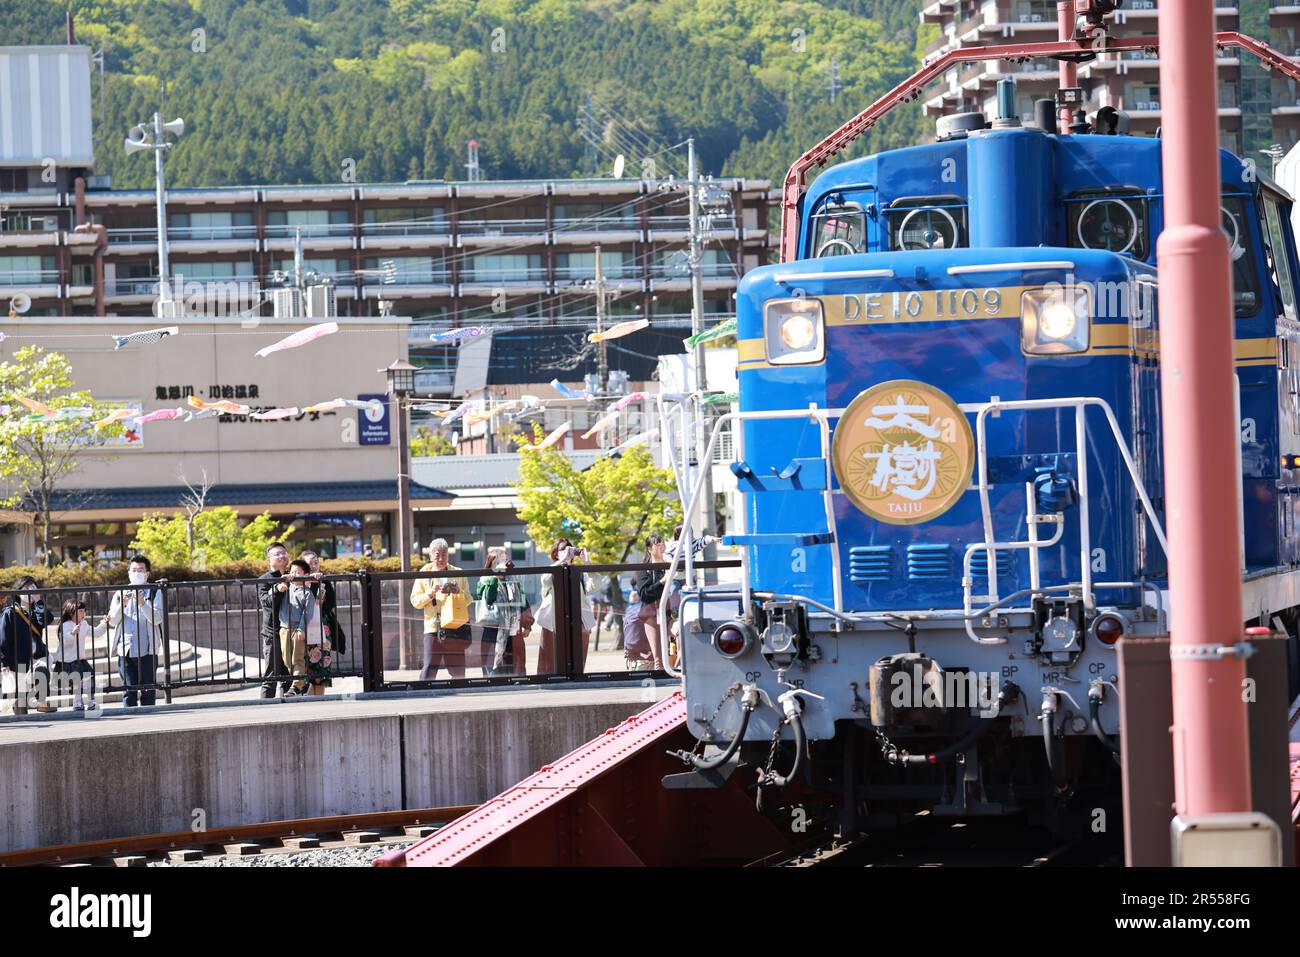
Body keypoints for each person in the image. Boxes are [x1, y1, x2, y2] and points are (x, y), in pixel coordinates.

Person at [409, 539, 471, 680]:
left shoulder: (458, 573)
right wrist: (430, 593)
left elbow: (469, 599)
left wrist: (458, 592)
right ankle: (423, 695)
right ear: (430, 556)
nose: (441, 559)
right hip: (432, 626)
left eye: (444, 554)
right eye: (437, 555)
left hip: (454, 625)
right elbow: (415, 601)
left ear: (448, 555)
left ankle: (461, 695)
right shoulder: (424, 573)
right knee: (429, 668)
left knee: (458, 670)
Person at [106, 555, 164, 707]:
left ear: (147, 574)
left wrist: (143, 604)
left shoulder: (154, 592)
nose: (137, 573)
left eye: (141, 570)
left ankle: (149, 723)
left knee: (148, 691)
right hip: (125, 650)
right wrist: (122, 605)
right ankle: (130, 724)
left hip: (148, 650)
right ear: (129, 573)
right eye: (134, 570)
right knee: (128, 691)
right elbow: (112, 621)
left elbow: (157, 618)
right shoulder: (120, 593)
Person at [536, 537, 594, 674]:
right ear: (555, 553)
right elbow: (545, 581)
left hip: (577, 617)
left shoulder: (578, 572)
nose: (567, 551)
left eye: (570, 548)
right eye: (563, 549)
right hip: (553, 619)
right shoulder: (551, 569)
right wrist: (562, 562)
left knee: (578, 652)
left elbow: (594, 586)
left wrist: (588, 563)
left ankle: (577, 675)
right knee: (550, 654)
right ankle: (547, 678)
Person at [0, 576, 51, 715]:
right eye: (26, 588)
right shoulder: (10, 612)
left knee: (42, 670)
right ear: (17, 592)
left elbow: (46, 621)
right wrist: (4, 662)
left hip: (36, 658)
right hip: (18, 661)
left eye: (33, 587)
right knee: (20, 707)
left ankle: (41, 701)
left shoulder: (36, 610)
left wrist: (38, 600)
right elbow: (4, 639)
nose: (30, 590)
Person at [277, 559, 327, 696]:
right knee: (287, 659)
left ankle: (296, 686)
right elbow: (272, 595)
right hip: (284, 628)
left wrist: (301, 629)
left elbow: (307, 613)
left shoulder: (307, 593)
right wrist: (279, 586)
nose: (294, 574)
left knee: (297, 658)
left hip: (297, 629)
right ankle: (302, 682)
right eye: (292, 571)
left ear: (305, 574)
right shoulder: (285, 587)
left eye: (297, 572)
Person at [475, 553, 529, 676]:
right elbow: (489, 599)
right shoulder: (484, 580)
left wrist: (527, 624)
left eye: (506, 560)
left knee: (513, 666)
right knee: (493, 668)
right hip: (492, 629)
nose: (504, 564)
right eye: (500, 561)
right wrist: (495, 577)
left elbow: (524, 602)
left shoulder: (513, 581)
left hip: (512, 628)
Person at [300, 550, 346, 692]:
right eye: (309, 563)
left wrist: (319, 585)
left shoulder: (324, 580)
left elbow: (329, 605)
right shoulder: (298, 582)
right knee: (305, 669)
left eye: (316, 563)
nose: (314, 566)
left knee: (322, 667)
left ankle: (319, 701)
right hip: (303, 627)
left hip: (322, 626)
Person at [257, 542, 292, 698]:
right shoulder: (264, 579)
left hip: (292, 631)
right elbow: (266, 603)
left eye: (284, 552)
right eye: (277, 554)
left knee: (290, 676)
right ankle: (264, 711)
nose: (282, 556)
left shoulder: (293, 575)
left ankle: (287, 711)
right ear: (268, 559)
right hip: (273, 633)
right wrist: (277, 589)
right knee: (271, 676)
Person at [629, 534, 668, 671]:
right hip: (652, 613)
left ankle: (682, 665)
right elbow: (645, 595)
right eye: (657, 544)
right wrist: (662, 582)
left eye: (663, 543)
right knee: (658, 658)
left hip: (672, 612)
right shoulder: (644, 569)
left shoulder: (672, 565)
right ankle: (658, 665)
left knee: (680, 632)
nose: (662, 547)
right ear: (650, 549)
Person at [54, 600, 96, 711]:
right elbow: (65, 641)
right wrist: (72, 633)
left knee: (90, 675)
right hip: (68, 661)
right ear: (72, 613)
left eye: (84, 611)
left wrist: (104, 623)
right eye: (80, 611)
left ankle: (91, 701)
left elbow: (96, 632)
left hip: (80, 659)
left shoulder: (84, 624)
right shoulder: (66, 625)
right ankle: (78, 703)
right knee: (78, 679)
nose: (84, 613)